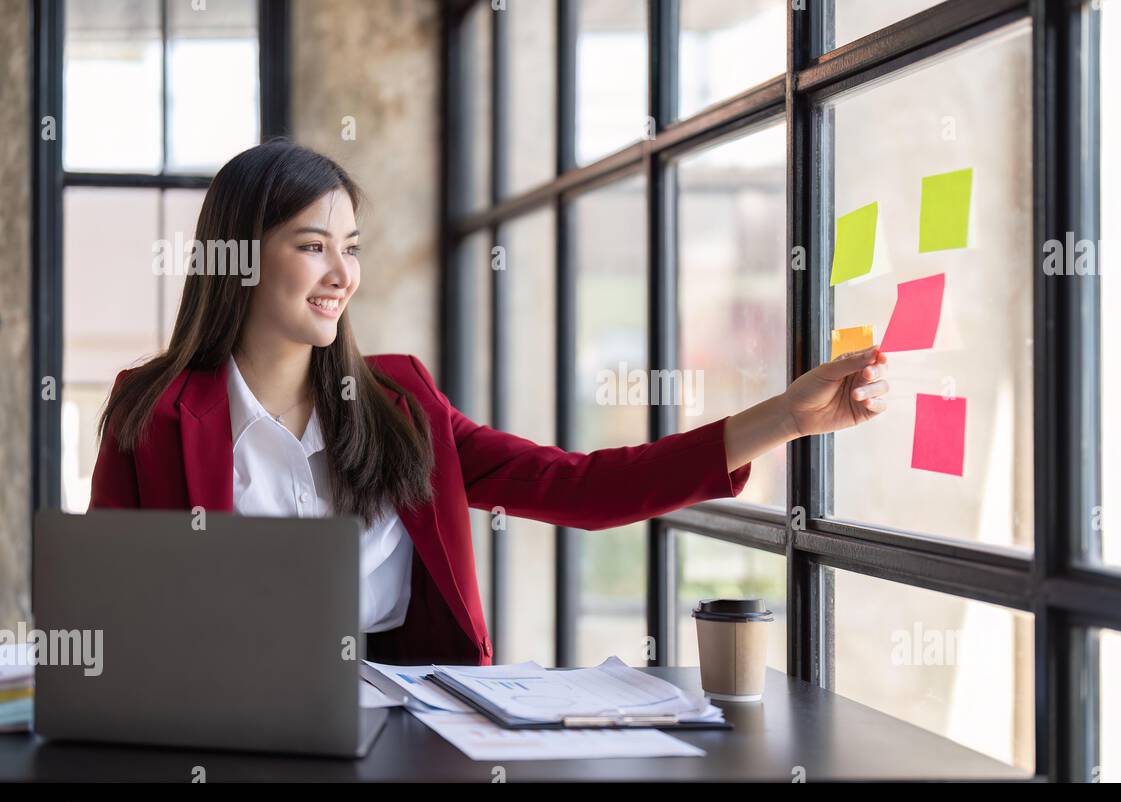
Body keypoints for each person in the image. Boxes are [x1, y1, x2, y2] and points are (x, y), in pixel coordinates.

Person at [89, 139, 889, 666]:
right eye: (311, 246)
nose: (342, 274)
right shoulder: (152, 415)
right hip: (224, 732)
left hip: (404, 725)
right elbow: (112, 614)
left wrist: (786, 415)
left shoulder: (401, 401)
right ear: (236, 257)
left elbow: (582, 486)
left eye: (352, 248)